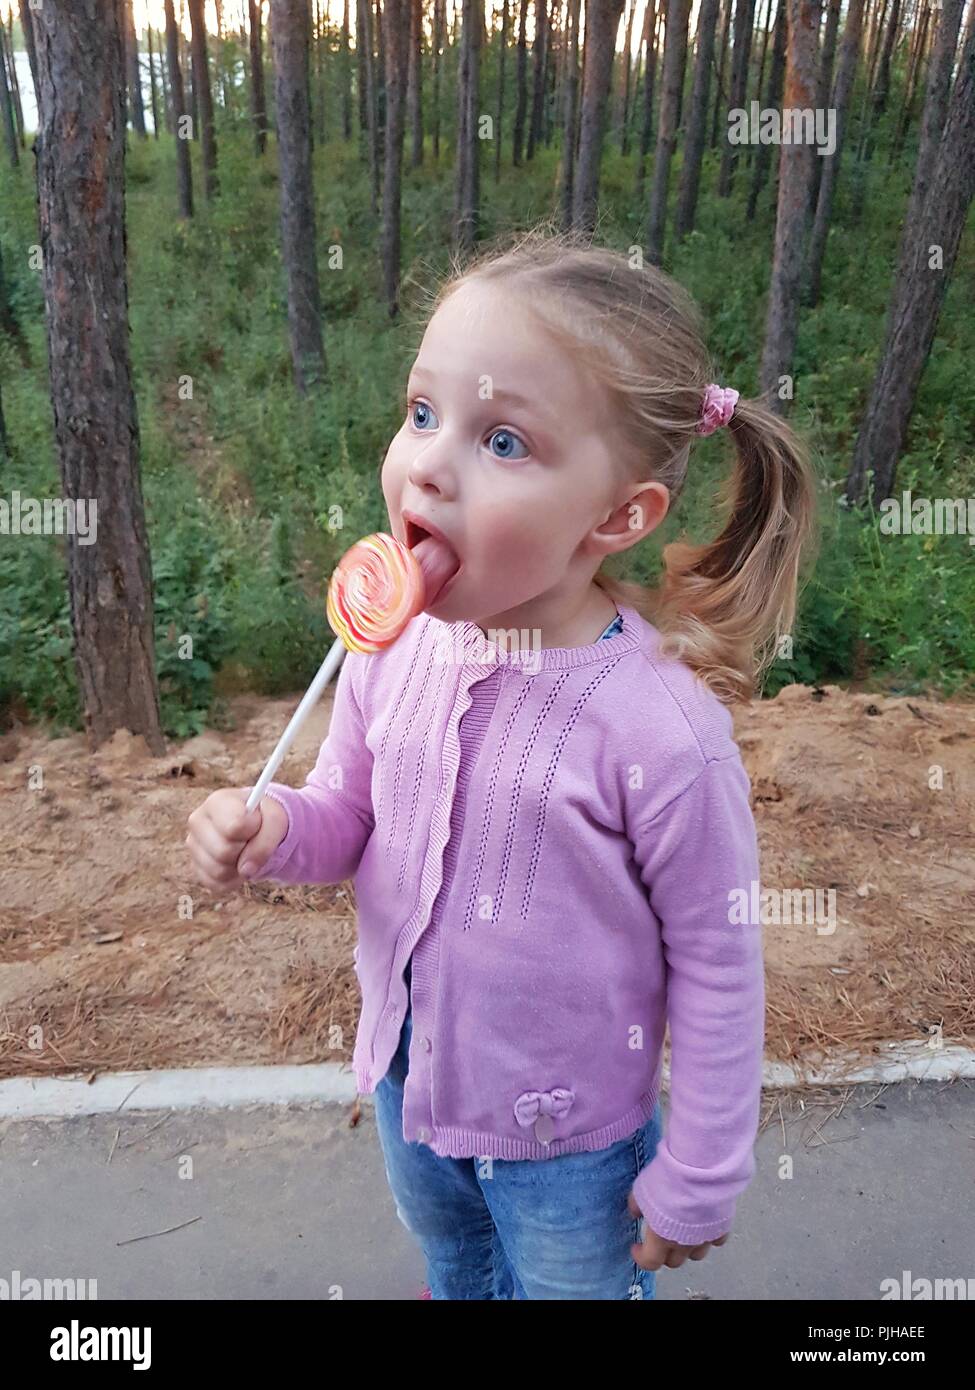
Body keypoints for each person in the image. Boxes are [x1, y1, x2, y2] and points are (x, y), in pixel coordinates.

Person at [186, 227, 817, 1300]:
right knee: (457, 1273)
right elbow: (350, 812)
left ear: (619, 516)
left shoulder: (660, 732)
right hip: (410, 1092)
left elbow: (719, 961)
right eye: (423, 413)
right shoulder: (394, 652)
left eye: (505, 443)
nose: (429, 461)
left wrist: (700, 1173)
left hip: (571, 1145)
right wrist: (275, 828)